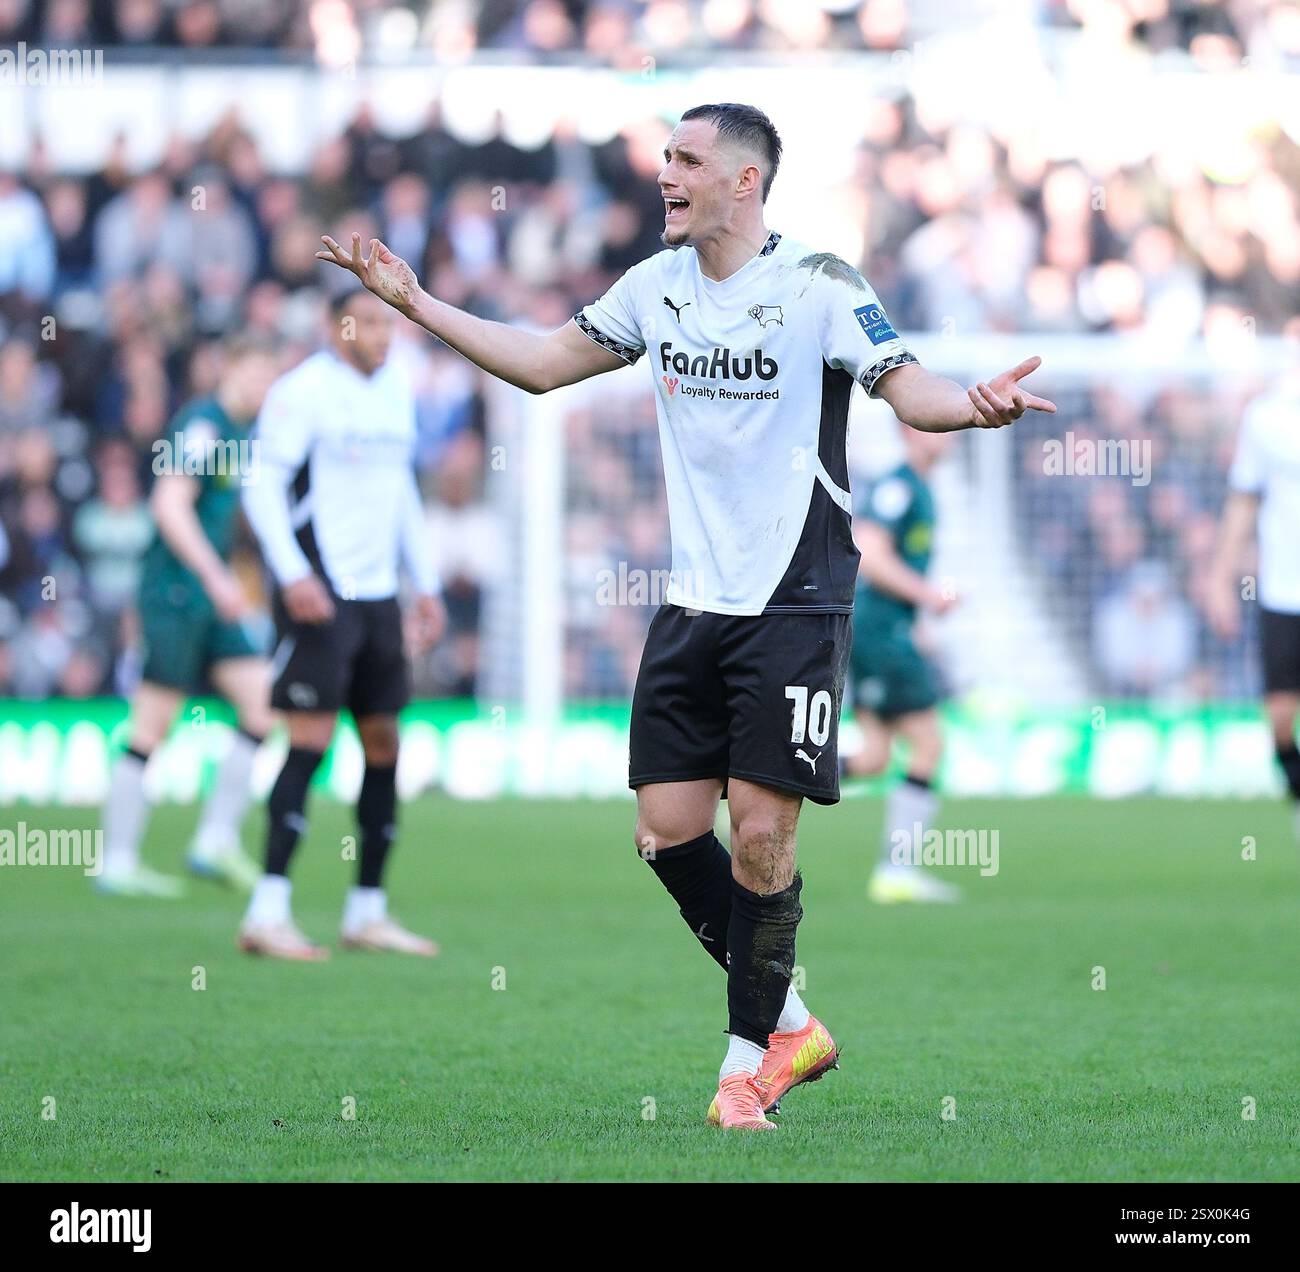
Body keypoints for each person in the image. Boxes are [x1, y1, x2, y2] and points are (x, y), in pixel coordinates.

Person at [316, 103, 1055, 1128]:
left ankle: (742, 1073)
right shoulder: (653, 286)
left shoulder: (818, 286)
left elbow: (906, 386)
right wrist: (414, 302)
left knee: (760, 837)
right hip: (691, 605)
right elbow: (539, 364)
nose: (665, 173)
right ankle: (789, 1019)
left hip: (795, 600)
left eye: (687, 160)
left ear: (743, 182)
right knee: (666, 836)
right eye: (666, 157)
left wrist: (973, 406)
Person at [237, 289, 446, 960]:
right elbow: (261, 485)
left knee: (383, 742)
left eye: (392, 321)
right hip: (320, 592)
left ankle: (367, 912)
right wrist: (293, 573)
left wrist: (427, 583)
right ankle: (266, 912)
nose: (385, 334)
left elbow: (402, 489)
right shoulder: (303, 393)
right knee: (310, 740)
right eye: (372, 321)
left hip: (380, 597)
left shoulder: (397, 387)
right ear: (336, 327)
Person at [97, 337, 279, 897]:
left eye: (270, 378)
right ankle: (116, 860)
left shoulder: (240, 433)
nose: (263, 387)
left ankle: (214, 840)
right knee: (154, 723)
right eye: (256, 373)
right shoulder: (204, 425)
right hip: (177, 593)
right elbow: (169, 506)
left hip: (207, 594)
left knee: (263, 703)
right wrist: (216, 575)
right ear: (231, 368)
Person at [848, 425, 962, 904]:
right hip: (879, 634)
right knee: (928, 743)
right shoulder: (899, 485)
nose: (946, 434)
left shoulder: (919, 487)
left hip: (883, 630)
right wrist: (926, 596)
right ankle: (897, 870)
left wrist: (917, 619)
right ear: (902, 430)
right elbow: (869, 552)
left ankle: (755, 780)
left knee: (874, 757)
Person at [1208, 366, 1300, 837]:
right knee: (1281, 720)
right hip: (1284, 590)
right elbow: (1244, 499)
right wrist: (1221, 578)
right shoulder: (1267, 416)